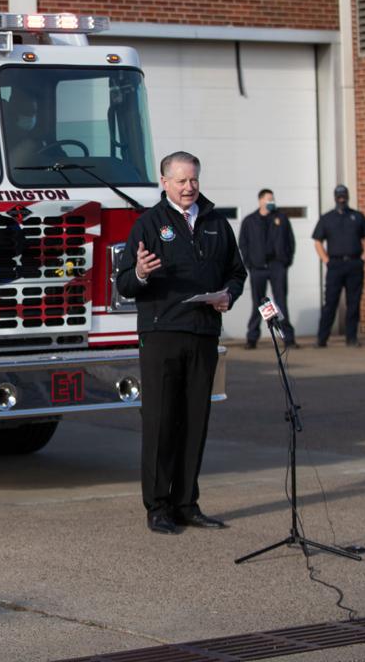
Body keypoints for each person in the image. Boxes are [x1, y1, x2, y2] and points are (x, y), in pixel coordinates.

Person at [115, 151, 247, 535]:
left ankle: (187, 503)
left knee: (194, 422)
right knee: (160, 421)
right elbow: (123, 283)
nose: (189, 187)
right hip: (161, 334)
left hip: (203, 332)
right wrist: (139, 271)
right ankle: (158, 507)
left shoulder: (216, 223)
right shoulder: (148, 224)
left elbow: (236, 272)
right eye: (181, 181)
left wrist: (228, 295)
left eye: (194, 180)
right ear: (164, 183)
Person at [312, 184, 365, 347]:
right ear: (335, 197)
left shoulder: (357, 216)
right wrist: (326, 260)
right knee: (330, 303)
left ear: (347, 197)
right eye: (339, 196)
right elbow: (317, 241)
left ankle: (351, 338)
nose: (342, 199)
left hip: (354, 264)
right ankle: (322, 338)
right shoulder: (327, 218)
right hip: (335, 265)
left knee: (354, 302)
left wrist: (363, 258)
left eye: (344, 196)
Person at [239, 188, 297, 349]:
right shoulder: (250, 221)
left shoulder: (281, 218)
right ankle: (252, 338)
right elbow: (243, 244)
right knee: (259, 303)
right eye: (268, 199)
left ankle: (288, 338)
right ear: (260, 201)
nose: (272, 202)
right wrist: (249, 263)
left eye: (273, 199)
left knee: (281, 302)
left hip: (277, 266)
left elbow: (290, 242)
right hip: (258, 268)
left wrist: (285, 261)